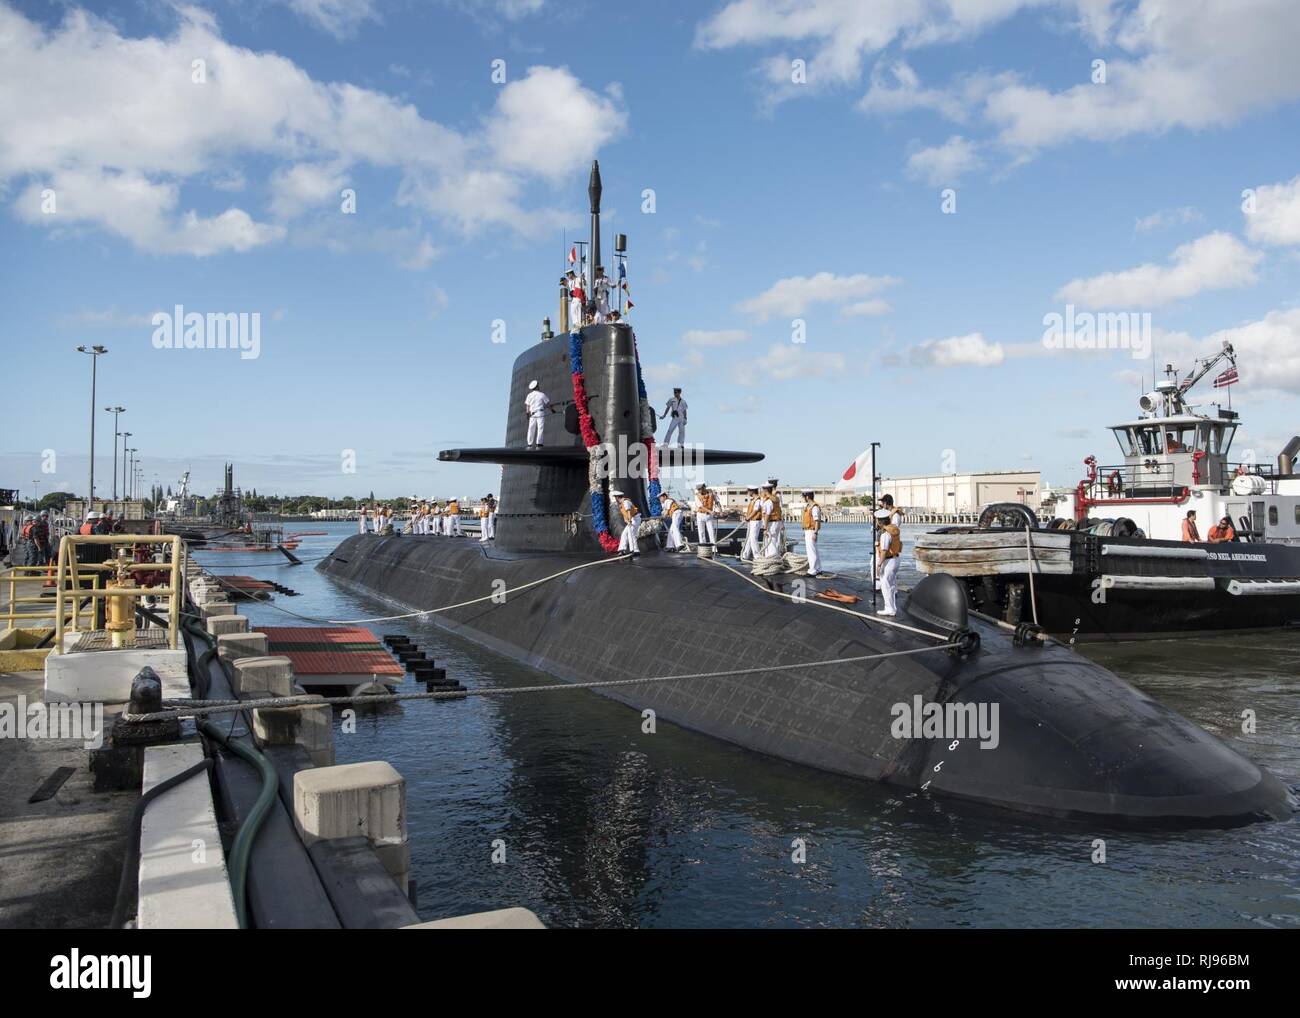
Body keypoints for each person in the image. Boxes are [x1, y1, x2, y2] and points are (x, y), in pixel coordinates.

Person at [875, 507, 902, 616]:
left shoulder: (885, 534)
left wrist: (879, 564)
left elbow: (884, 551)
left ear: (880, 522)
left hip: (888, 561)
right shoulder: (894, 529)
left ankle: (889, 608)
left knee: (886, 585)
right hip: (896, 559)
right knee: (891, 585)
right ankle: (892, 607)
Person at [611, 489, 640, 555]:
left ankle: (635, 550)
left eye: (615, 497)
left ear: (618, 497)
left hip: (635, 518)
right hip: (631, 519)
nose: (615, 499)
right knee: (624, 533)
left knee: (631, 533)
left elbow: (628, 511)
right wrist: (627, 521)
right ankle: (622, 549)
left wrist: (629, 520)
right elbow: (625, 514)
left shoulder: (625, 502)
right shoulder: (621, 504)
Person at [800, 491, 822, 576]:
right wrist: (805, 532)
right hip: (808, 530)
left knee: (811, 551)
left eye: (804, 497)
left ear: (807, 497)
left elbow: (817, 521)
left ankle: (812, 570)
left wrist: (815, 533)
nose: (804, 499)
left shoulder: (814, 507)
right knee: (814, 550)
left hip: (812, 531)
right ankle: (818, 568)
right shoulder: (809, 506)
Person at [525, 379, 550, 448]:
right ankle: (539, 443)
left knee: (531, 428)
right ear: (537, 386)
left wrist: (527, 413)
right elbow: (548, 404)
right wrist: (552, 409)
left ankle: (529, 443)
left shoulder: (529, 395)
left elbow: (527, 405)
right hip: (540, 413)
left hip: (532, 414)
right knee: (540, 428)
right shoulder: (542, 395)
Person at [762, 480, 785, 557]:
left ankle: (772, 558)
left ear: (765, 490)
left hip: (772, 523)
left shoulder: (769, 500)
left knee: (771, 541)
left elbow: (767, 515)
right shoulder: (774, 497)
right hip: (776, 521)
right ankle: (774, 557)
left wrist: (765, 528)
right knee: (775, 541)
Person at [741, 486, 763, 561]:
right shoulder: (753, 500)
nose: (748, 492)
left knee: (753, 538)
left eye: (749, 491)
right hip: (751, 521)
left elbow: (755, 511)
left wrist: (748, 517)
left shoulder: (758, 500)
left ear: (752, 491)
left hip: (756, 521)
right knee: (749, 538)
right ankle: (745, 555)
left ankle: (757, 557)